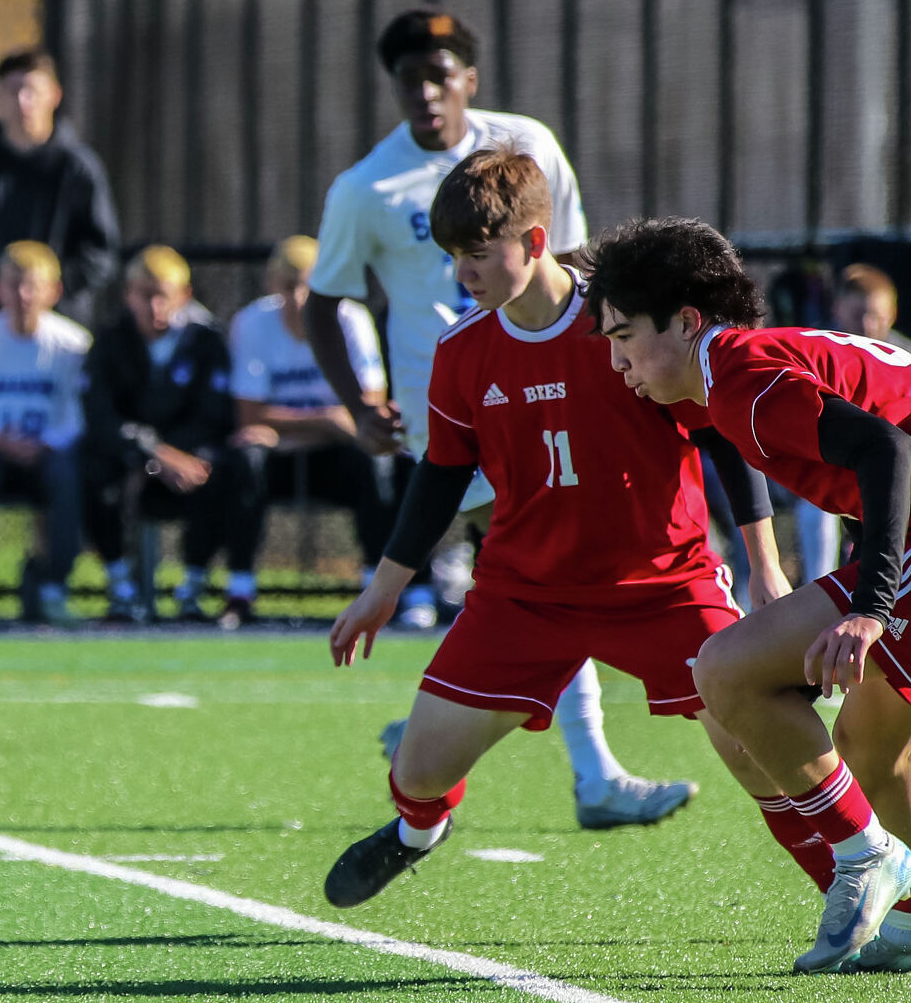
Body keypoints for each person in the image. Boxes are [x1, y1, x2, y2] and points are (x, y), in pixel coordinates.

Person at [590, 216, 911, 975]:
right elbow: (870, 454)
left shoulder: (740, 376)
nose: (616, 361)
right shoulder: (739, 370)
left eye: (623, 336)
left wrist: (869, 608)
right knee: (872, 747)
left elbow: (886, 450)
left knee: (722, 672)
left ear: (686, 321)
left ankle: (864, 853)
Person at [321, 151, 789, 913]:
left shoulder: (620, 324)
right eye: (453, 256)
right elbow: (441, 476)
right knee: (417, 769)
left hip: (661, 582)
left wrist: (763, 562)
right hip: (527, 595)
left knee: (764, 750)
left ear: (536, 241)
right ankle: (419, 833)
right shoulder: (461, 350)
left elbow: (721, 436)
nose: (462, 273)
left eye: (478, 254)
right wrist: (383, 590)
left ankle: (865, 876)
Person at [309, 5, 691, 828]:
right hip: (454, 404)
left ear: (469, 79)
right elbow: (324, 300)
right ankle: (584, 769)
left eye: (439, 75)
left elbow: (578, 267)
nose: (424, 92)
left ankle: (447, 726)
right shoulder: (366, 186)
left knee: (546, 575)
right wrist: (359, 404)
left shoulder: (527, 148)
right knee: (543, 572)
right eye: (408, 79)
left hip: (547, 400)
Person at [225, 236, 396, 627]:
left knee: (377, 459)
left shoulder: (352, 320)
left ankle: (376, 588)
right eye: (288, 286)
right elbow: (249, 418)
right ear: (271, 284)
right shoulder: (252, 323)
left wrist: (290, 429)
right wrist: (327, 421)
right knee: (245, 459)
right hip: (279, 462)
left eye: (307, 286)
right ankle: (239, 590)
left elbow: (370, 413)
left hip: (334, 459)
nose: (299, 298)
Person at [82, 246, 246, 621]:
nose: (155, 307)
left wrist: (176, 455)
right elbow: (101, 417)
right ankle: (121, 587)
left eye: (164, 296)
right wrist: (152, 453)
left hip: (187, 459)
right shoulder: (110, 339)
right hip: (134, 460)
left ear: (184, 295)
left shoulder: (206, 341)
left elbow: (214, 415)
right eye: (145, 295)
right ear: (128, 295)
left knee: (222, 469)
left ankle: (192, 586)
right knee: (92, 466)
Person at [0, 242, 91, 627]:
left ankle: (55, 588)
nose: (23, 296)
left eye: (33, 286)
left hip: (45, 455)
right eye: (14, 285)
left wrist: (45, 443)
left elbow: (76, 417)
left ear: (54, 291)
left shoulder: (73, 345)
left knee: (67, 474)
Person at [0, 48, 120, 325]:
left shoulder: (78, 169)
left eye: (32, 91)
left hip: (60, 324)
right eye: (13, 91)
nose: (22, 101)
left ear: (55, 95)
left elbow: (100, 252)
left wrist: (48, 292)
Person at [788, 264, 911, 585]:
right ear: (837, 309)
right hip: (829, 466)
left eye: (875, 315)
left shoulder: (907, 356)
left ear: (892, 313)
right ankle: (819, 589)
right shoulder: (817, 349)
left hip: (890, 469)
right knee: (816, 512)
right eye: (857, 315)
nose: (866, 326)